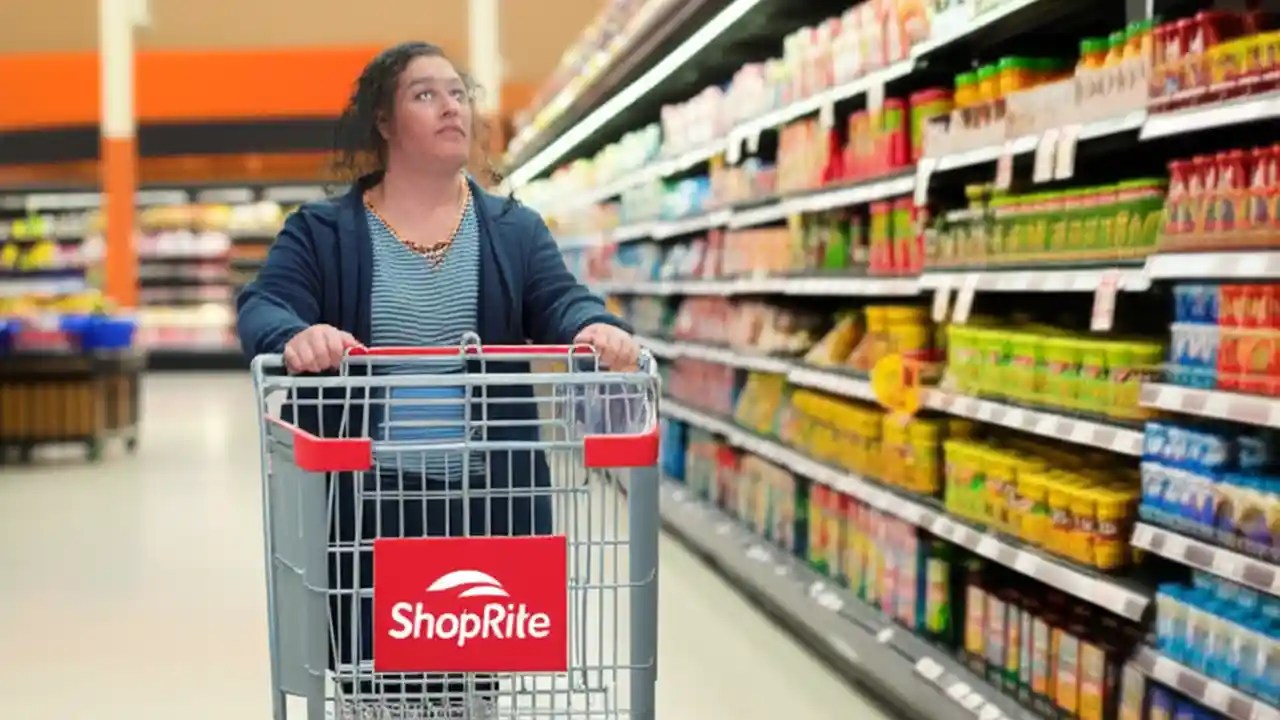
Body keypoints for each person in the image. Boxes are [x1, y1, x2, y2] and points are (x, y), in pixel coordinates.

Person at [236, 41, 639, 716]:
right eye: (425, 94)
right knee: (376, 688)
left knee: (470, 692)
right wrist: (297, 336)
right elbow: (263, 305)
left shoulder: (512, 230)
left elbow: (560, 299)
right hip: (368, 510)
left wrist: (593, 327)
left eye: (458, 93)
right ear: (384, 123)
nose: (451, 107)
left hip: (488, 502)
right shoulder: (323, 232)